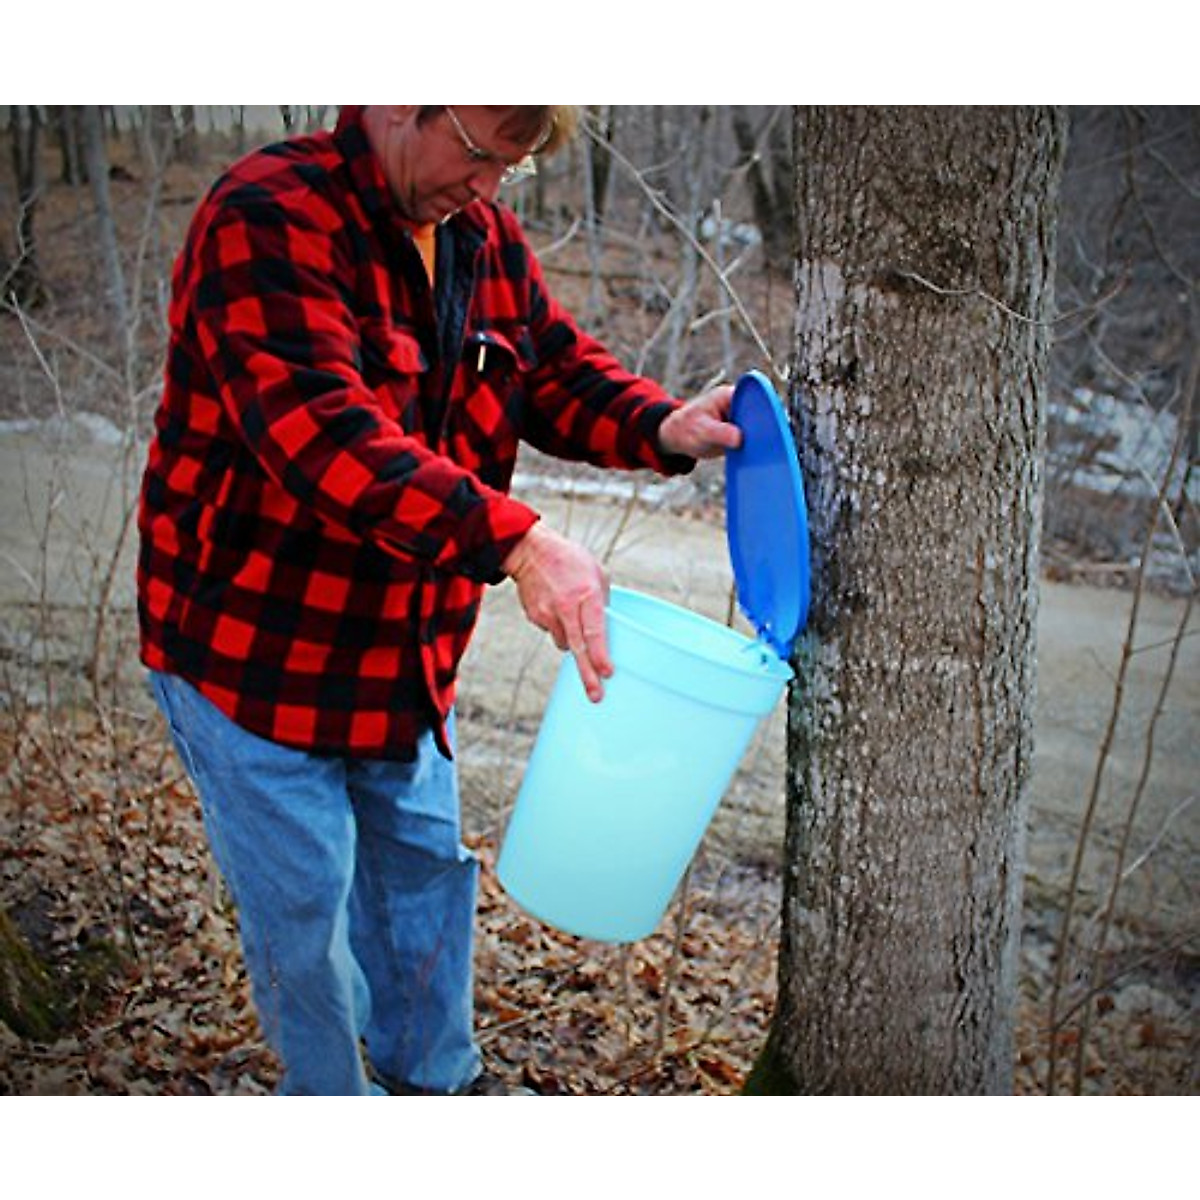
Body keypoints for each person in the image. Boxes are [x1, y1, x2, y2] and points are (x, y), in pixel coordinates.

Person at [137, 106, 740, 1095]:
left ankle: (437, 1091)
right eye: (478, 153)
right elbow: (325, 439)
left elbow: (550, 369)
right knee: (305, 920)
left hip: (402, 667)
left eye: (513, 165)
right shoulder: (268, 217)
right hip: (252, 660)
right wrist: (518, 541)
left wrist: (662, 425)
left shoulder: (478, 235)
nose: (491, 188)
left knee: (423, 878)